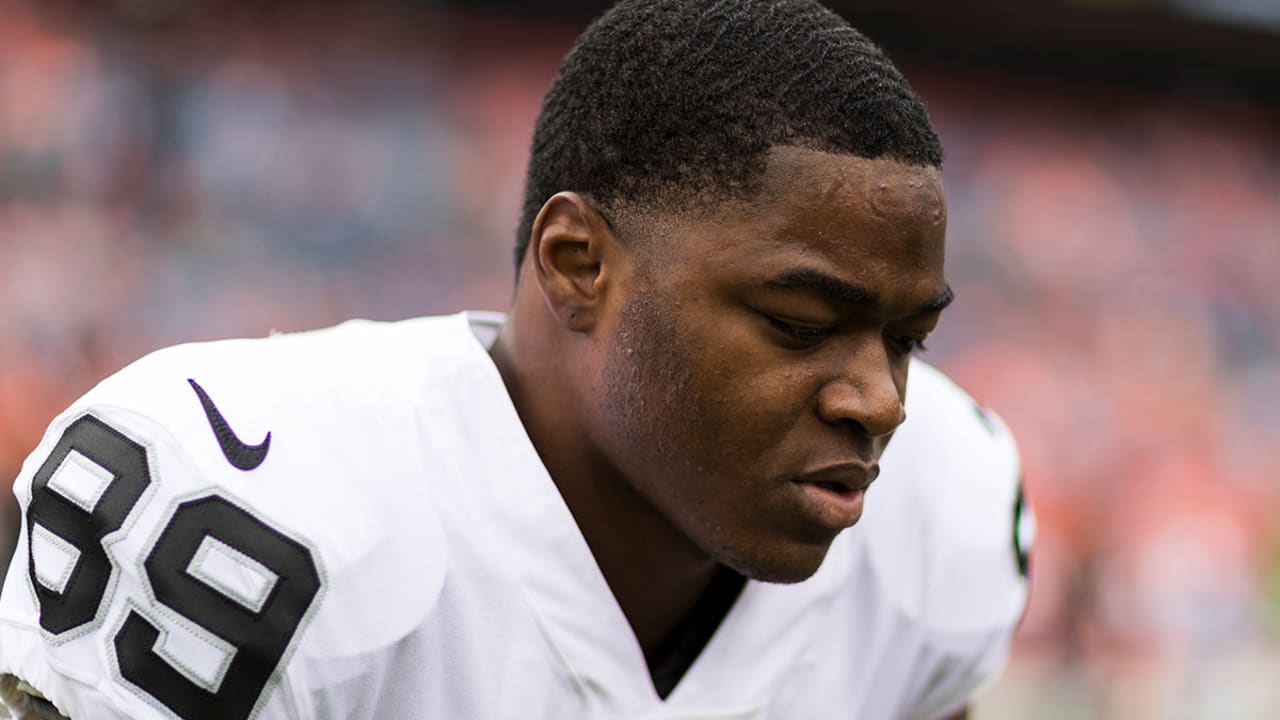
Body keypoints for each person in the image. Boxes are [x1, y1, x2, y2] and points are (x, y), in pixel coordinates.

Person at [0, 0, 1031, 718]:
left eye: (908, 338)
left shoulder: (944, 507)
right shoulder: (262, 511)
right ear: (577, 264)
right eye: (800, 323)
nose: (878, 400)